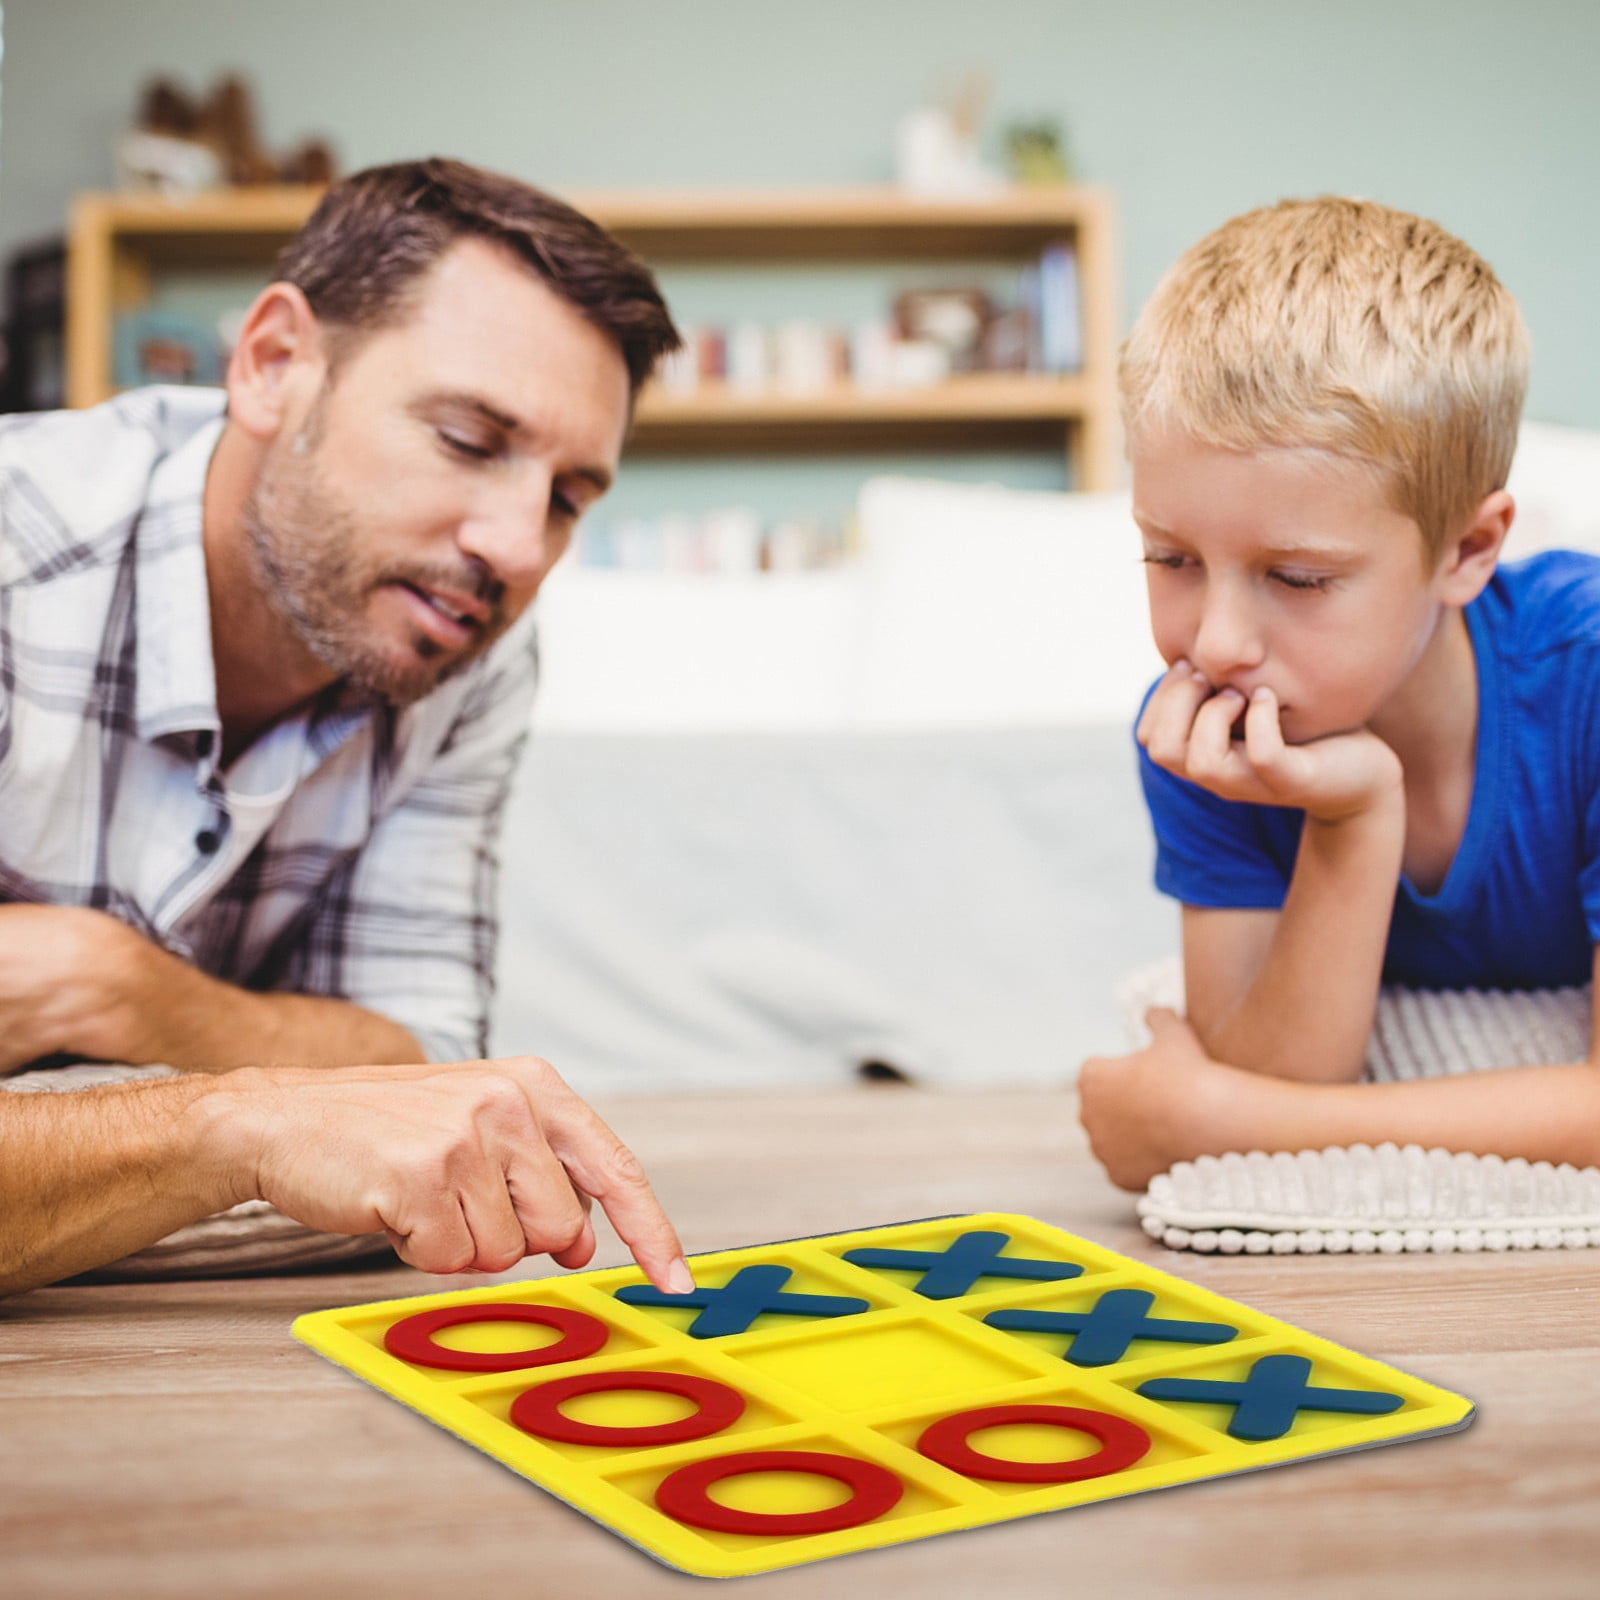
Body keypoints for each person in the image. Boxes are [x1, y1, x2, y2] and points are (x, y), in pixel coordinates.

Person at [0, 158, 695, 1296]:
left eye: (569, 496)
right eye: (470, 440)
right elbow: (378, 1106)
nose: (521, 550)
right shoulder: (16, 557)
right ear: (275, 366)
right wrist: (264, 1116)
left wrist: (119, 992)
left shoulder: (464, 642)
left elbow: (423, 1067)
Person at [1077, 196, 1600, 1190]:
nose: (1217, 642)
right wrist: (1355, 814)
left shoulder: (1587, 675)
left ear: (1469, 549)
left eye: (1298, 579)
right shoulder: (1206, 731)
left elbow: (1239, 1107)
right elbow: (1272, 1074)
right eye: (1170, 556)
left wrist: (1223, 1122)